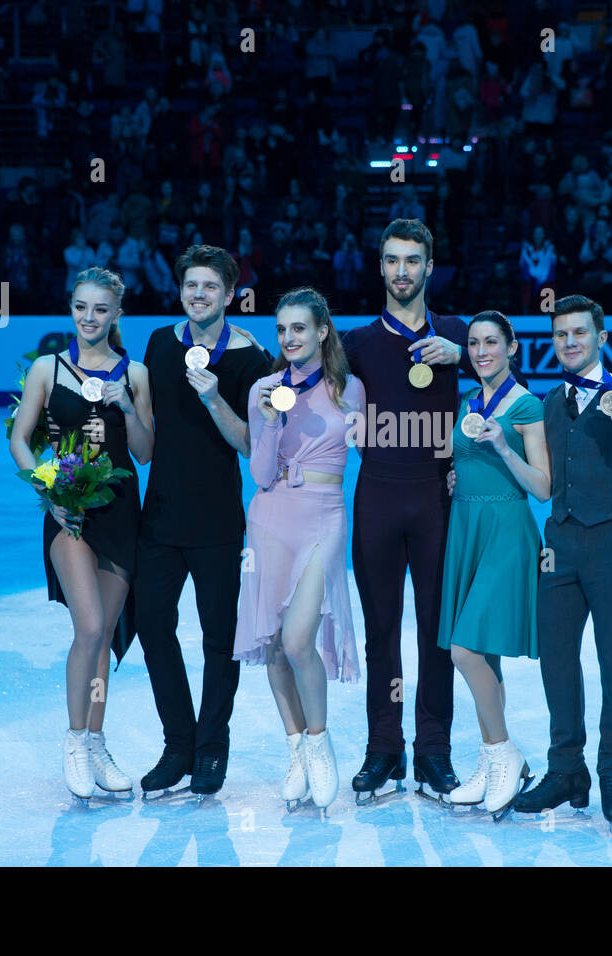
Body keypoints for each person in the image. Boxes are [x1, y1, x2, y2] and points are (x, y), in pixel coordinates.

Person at [513, 295, 612, 828]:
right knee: (555, 660)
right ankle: (566, 770)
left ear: (602, 338)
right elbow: (542, 481)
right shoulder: (547, 403)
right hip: (559, 544)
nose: (570, 342)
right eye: (561, 335)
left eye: (580, 333)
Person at [341, 218, 478, 803]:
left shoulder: (458, 334)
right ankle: (384, 749)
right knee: (381, 633)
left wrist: (464, 358)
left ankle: (434, 753)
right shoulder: (354, 344)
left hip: (436, 500)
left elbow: (510, 383)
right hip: (376, 495)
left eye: (413, 261)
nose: (402, 271)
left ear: (429, 268)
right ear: (380, 267)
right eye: (392, 260)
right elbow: (295, 379)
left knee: (437, 635)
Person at [8, 266, 154, 800]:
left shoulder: (134, 374)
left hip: (119, 511)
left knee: (107, 639)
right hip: (68, 510)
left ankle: (96, 742)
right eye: (80, 307)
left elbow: (143, 452)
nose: (88, 317)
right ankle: (74, 741)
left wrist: (125, 405)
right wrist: (45, 490)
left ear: (117, 314)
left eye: (100, 309)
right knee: (89, 628)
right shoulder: (47, 369)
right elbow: (21, 439)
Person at [134, 245, 271, 797]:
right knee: (152, 628)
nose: (198, 295)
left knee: (220, 638)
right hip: (161, 516)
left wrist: (216, 399)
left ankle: (212, 748)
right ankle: (178, 744)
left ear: (229, 294)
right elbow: (147, 436)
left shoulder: (249, 358)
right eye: (191, 285)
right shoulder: (159, 345)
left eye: (210, 287)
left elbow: (249, 445)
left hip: (217, 522)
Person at [234, 288, 366, 811]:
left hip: (324, 516)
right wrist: (269, 421)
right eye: (283, 330)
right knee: (274, 643)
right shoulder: (264, 389)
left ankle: (320, 739)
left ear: (322, 331)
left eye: (300, 329)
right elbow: (261, 473)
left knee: (297, 637)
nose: (290, 338)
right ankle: (296, 747)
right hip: (270, 517)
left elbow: (366, 451)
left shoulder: (348, 388)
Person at [439, 311, 551, 818]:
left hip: (507, 533)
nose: (482, 351)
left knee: (464, 650)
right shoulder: (467, 402)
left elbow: (544, 487)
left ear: (511, 348)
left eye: (491, 342)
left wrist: (504, 446)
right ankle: (491, 761)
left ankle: (505, 753)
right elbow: (461, 463)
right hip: (468, 529)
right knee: (485, 654)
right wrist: (454, 479)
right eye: (474, 343)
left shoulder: (527, 405)